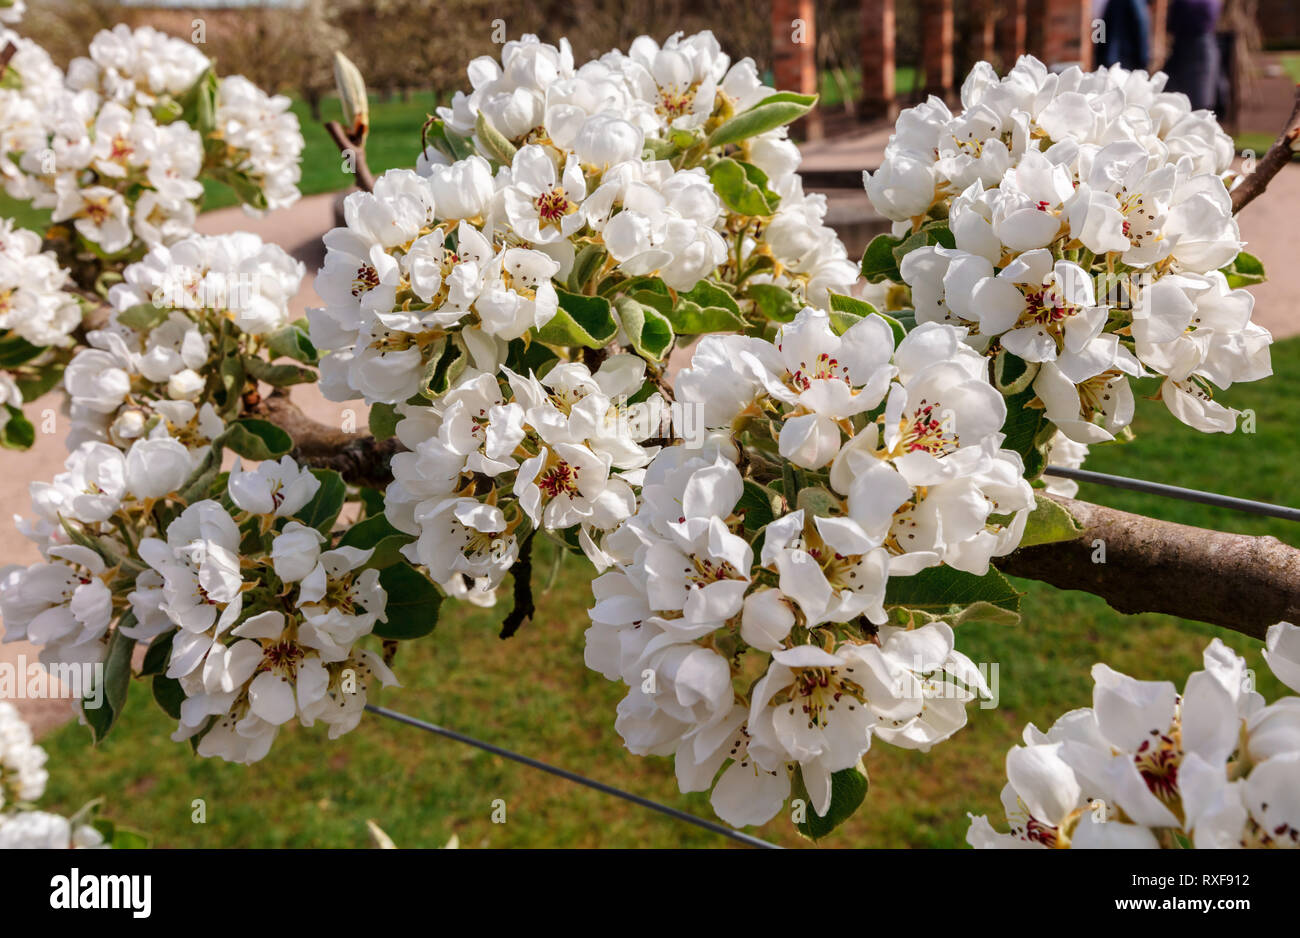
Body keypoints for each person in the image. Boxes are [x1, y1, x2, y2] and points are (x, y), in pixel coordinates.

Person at [1163, 0, 1223, 110]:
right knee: (1200, 96)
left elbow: (1172, 23)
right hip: (1201, 47)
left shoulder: (1184, 3)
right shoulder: (1211, 2)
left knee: (1192, 98)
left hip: (1188, 48)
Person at [1096, 0, 1152, 71]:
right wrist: (1144, 58)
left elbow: (1103, 26)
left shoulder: (1113, 2)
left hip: (1109, 56)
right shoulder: (1137, 2)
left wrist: (1099, 55)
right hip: (1127, 58)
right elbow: (1141, 27)